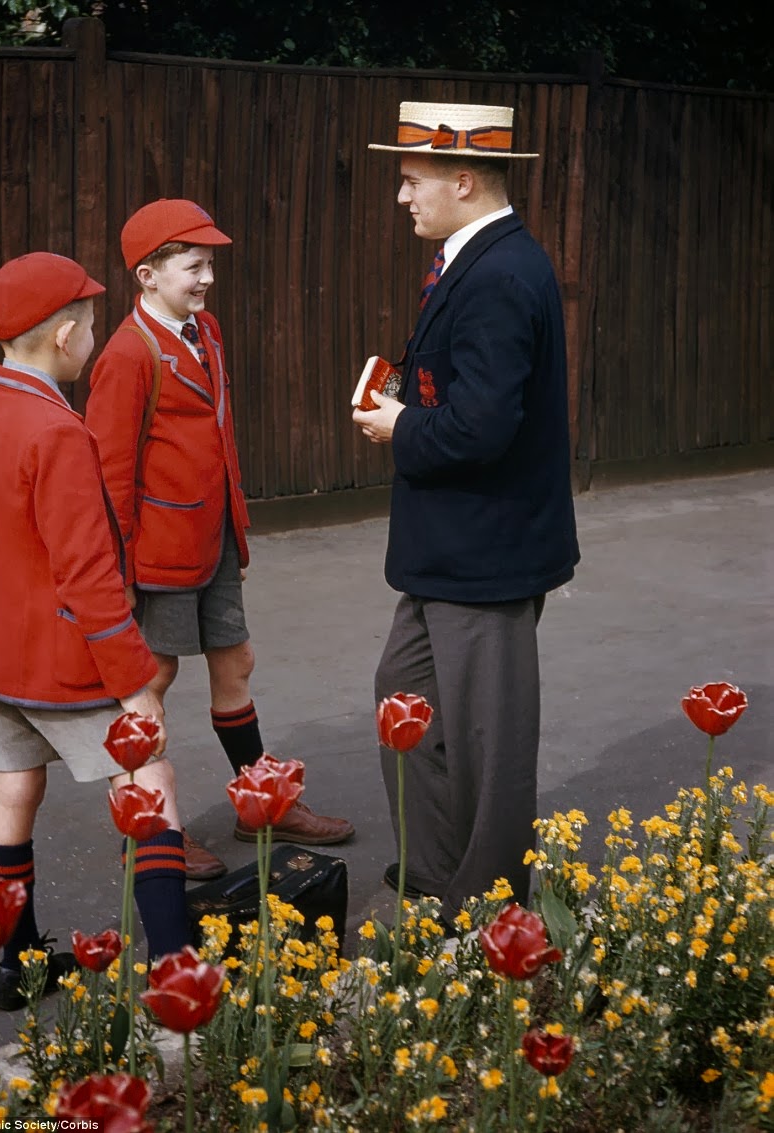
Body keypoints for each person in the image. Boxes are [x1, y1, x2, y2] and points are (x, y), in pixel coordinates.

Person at [0, 252, 192, 1011]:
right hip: (63, 659)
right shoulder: (60, 431)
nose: (93, 334)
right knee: (151, 782)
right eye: (88, 324)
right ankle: (177, 974)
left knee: (14, 789)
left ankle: (17, 965)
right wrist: (136, 686)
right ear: (63, 336)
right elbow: (89, 575)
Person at [356, 102, 580, 928]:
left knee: (488, 738)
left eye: (412, 181)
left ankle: (487, 908)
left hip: (486, 549)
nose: (403, 198)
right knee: (403, 693)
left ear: (462, 179)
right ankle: (437, 869)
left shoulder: (496, 275)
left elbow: (484, 426)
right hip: (454, 548)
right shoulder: (480, 261)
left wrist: (400, 425)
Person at [85, 199, 354, 880]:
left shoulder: (205, 330)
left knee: (235, 661)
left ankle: (259, 803)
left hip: (215, 535)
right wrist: (117, 572)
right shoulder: (126, 353)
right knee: (154, 679)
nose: (206, 278)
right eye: (192, 266)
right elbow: (110, 475)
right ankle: (144, 828)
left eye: (209, 265)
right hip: (160, 549)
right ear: (147, 275)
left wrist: (235, 523)